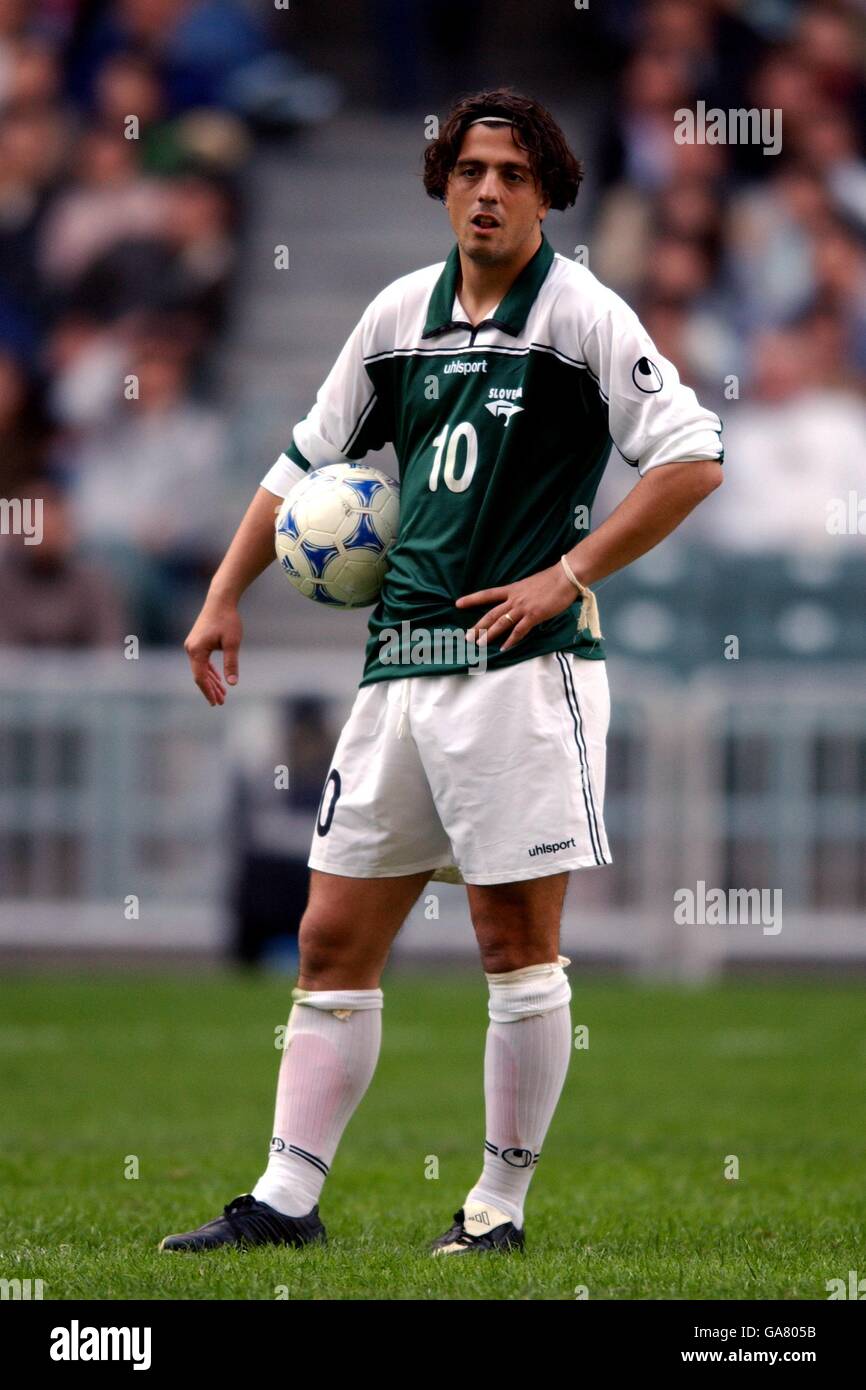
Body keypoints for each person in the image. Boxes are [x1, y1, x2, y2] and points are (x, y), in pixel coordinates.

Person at [161, 89, 723, 1257]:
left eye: (512, 174)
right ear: (442, 183)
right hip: (395, 671)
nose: (487, 191)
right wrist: (222, 594)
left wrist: (566, 572)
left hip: (522, 673)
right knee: (329, 935)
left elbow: (690, 456)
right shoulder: (393, 314)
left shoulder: (580, 312)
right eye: (469, 170)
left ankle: (495, 1211)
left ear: (546, 192)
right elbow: (301, 459)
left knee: (513, 944)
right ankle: (284, 1200)